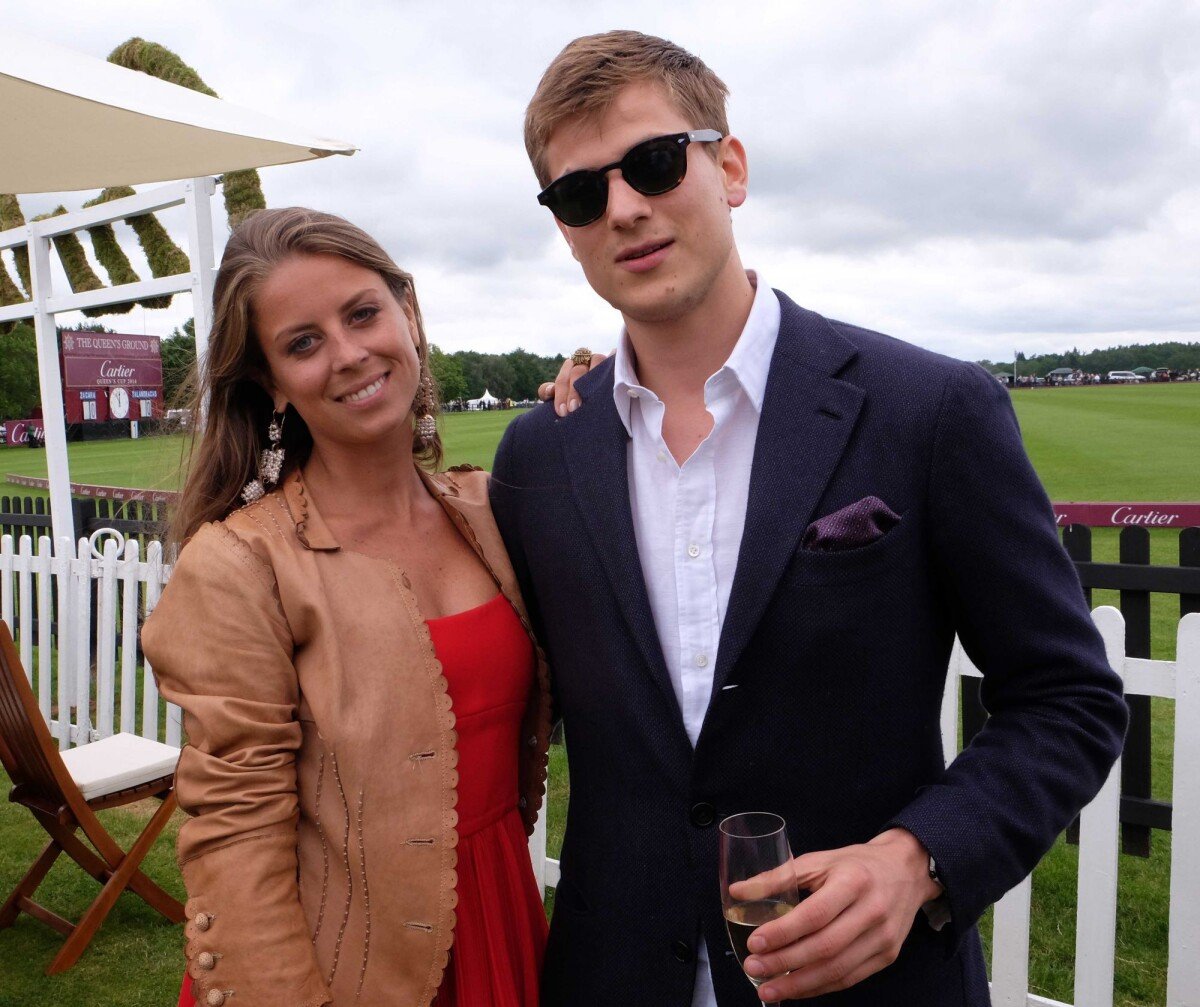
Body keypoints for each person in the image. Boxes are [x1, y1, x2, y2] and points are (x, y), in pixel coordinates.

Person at [491, 30, 1128, 1007]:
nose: (623, 207)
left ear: (729, 166)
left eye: (655, 163)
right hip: (613, 973)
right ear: (565, 227)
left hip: (873, 984)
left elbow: (1069, 697)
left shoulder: (929, 410)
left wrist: (917, 859)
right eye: (580, 193)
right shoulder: (538, 457)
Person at [142, 208, 553, 1007]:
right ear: (272, 383)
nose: (349, 353)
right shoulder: (243, 563)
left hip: (501, 922)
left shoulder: (493, 513)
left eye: (362, 313)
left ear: (407, 311)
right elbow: (235, 830)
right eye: (303, 342)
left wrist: (600, 398)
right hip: (336, 965)